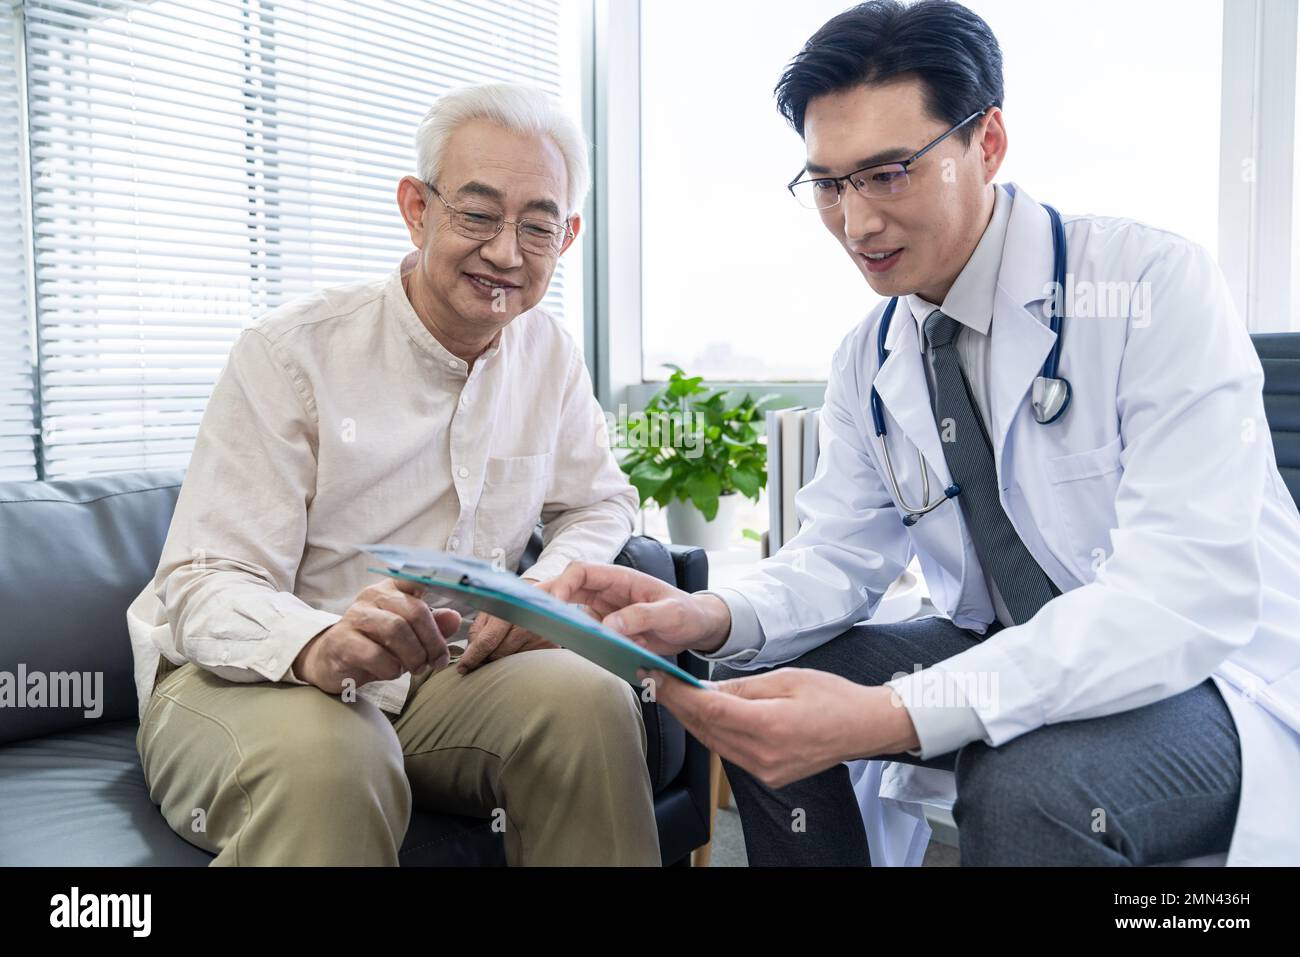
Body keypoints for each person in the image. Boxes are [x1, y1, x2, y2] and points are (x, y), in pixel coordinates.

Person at [548, 0, 1300, 865]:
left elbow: (1176, 597)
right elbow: (839, 553)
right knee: (755, 692)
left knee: (1030, 787)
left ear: (988, 144)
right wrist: (710, 613)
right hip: (1003, 639)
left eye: (890, 171)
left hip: (1212, 671)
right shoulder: (870, 354)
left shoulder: (1149, 290)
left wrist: (892, 712)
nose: (856, 222)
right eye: (828, 184)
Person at [126, 83, 660, 866]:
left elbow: (599, 502)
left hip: (439, 675)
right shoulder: (289, 353)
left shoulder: (549, 354)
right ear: (417, 208)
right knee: (337, 758)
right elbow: (205, 582)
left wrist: (544, 588)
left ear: (567, 235)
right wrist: (318, 645)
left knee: (593, 703)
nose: (507, 253)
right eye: (477, 215)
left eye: (537, 225)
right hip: (249, 677)